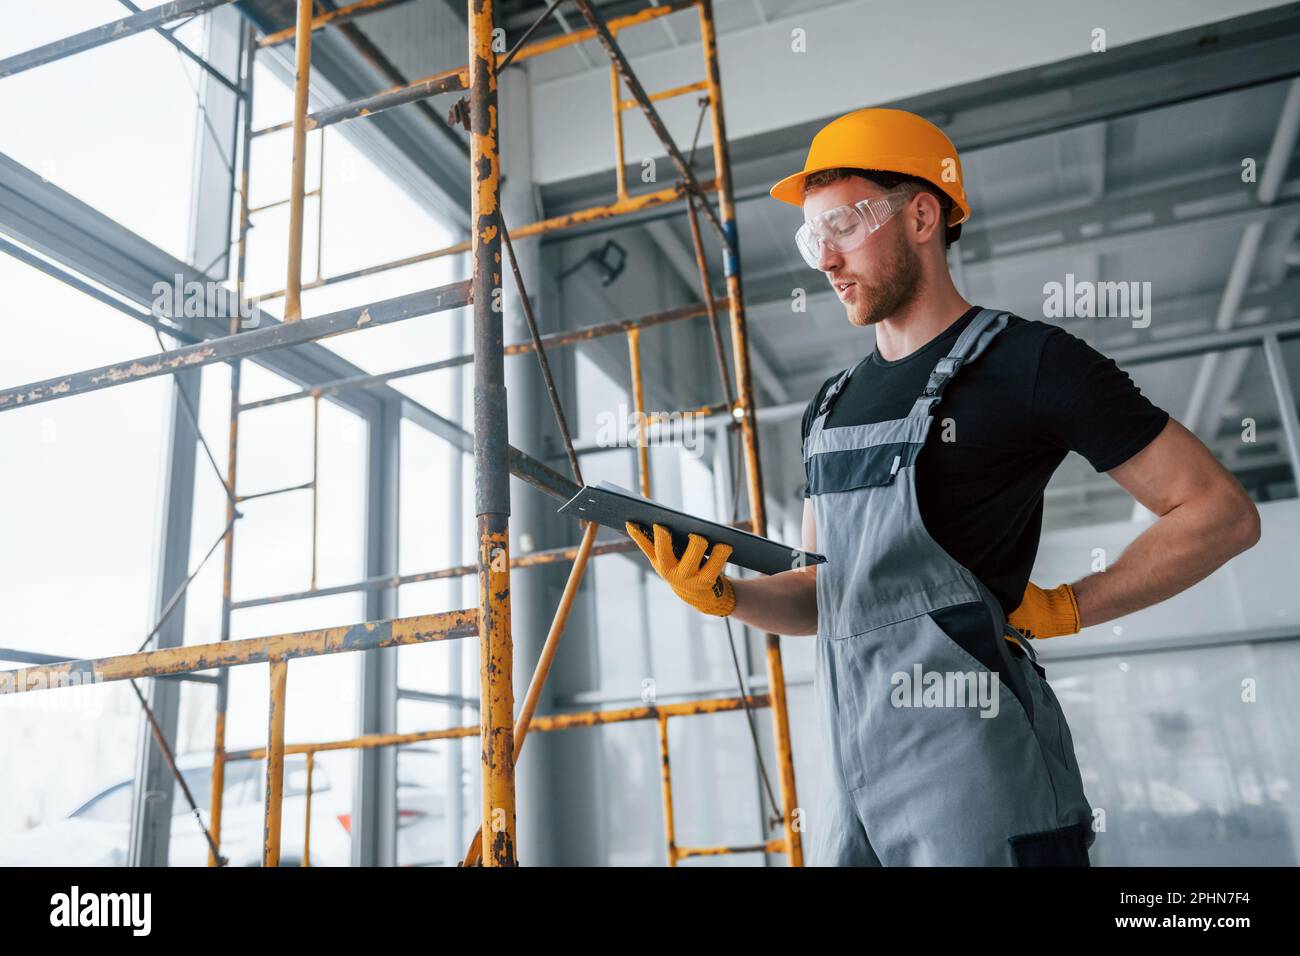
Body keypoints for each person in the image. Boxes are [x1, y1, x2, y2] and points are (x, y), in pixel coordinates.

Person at [625, 107, 1260, 866]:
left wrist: (1068, 607)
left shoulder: (1033, 363)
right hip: (851, 788)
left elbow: (1221, 514)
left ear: (922, 214)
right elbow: (826, 596)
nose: (826, 260)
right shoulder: (826, 407)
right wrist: (729, 595)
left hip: (980, 783)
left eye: (846, 226)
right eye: (812, 237)